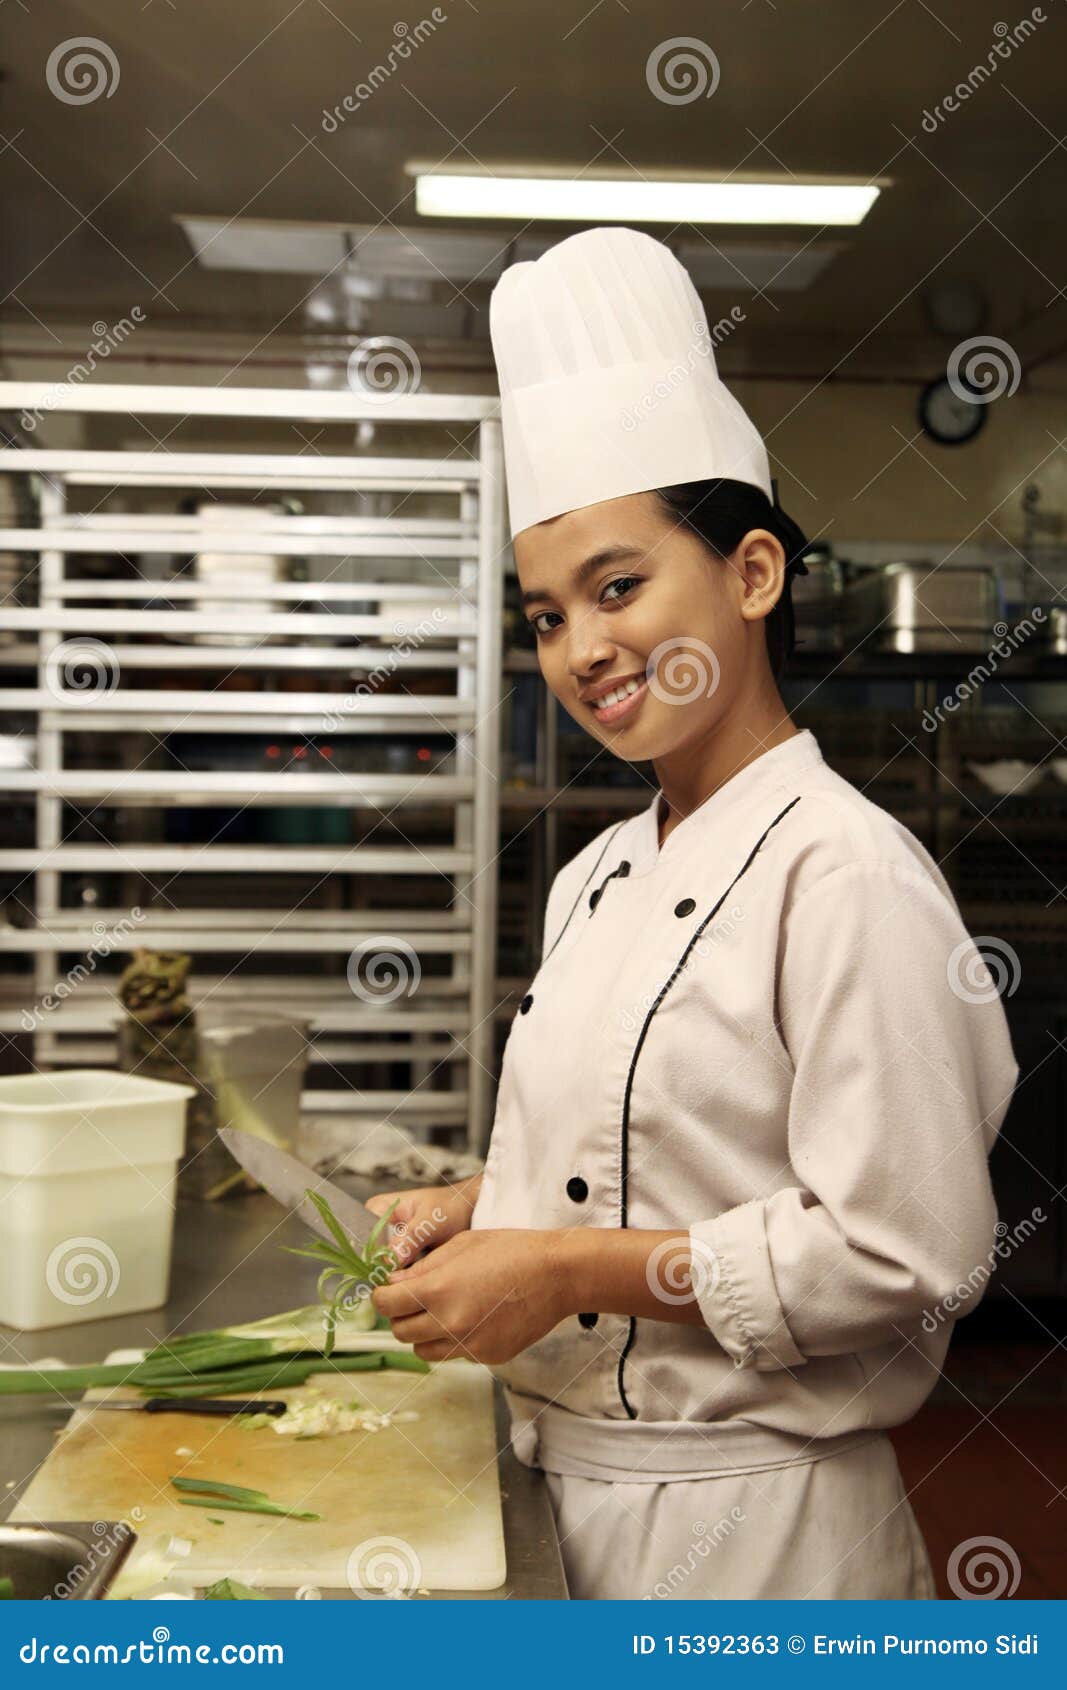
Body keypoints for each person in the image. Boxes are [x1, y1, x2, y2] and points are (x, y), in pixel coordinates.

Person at [370, 226, 1019, 1600]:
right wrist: (486, 1204)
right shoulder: (595, 875)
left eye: (619, 586)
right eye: (546, 615)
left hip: (766, 1545)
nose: (582, 648)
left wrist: (558, 1268)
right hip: (561, 1503)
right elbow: (645, 1151)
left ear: (753, 575)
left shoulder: (845, 873)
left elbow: (908, 1250)